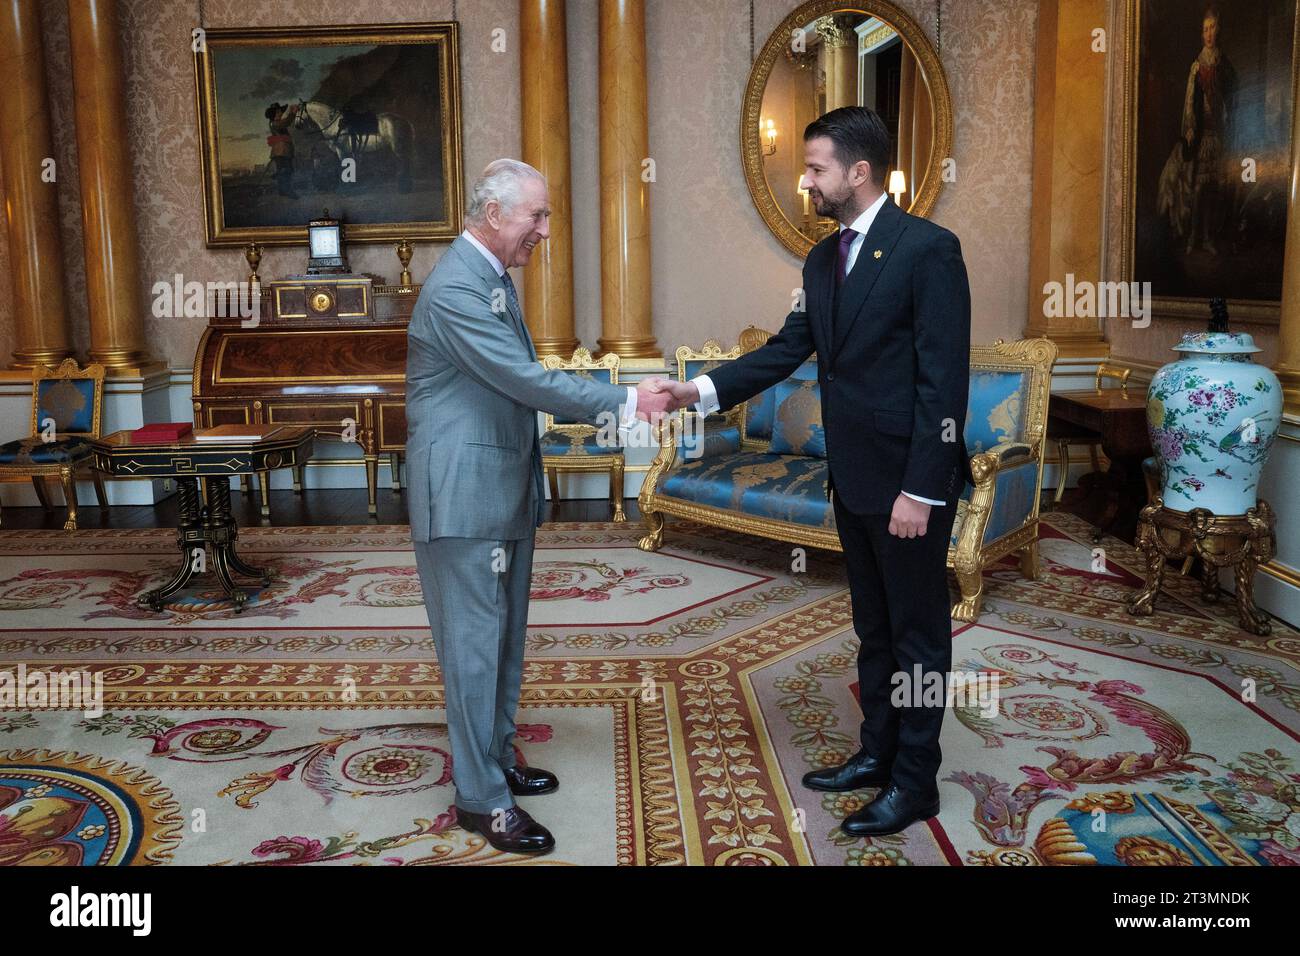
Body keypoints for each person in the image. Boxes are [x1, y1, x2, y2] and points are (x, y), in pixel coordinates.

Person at [655, 106, 971, 836]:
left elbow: (941, 382)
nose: (806, 182)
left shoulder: (928, 250)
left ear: (859, 171)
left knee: (919, 635)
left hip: (908, 488)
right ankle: (877, 754)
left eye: (816, 168)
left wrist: (921, 490)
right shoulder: (822, 259)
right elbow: (784, 349)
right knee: (874, 629)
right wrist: (696, 392)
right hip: (853, 476)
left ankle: (915, 781)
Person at [406, 159, 675, 855]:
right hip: (462, 496)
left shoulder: (489, 278)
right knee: (471, 649)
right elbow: (523, 378)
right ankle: (481, 801)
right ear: (495, 214)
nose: (545, 231)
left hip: (499, 484)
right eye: (538, 217)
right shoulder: (456, 289)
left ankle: (494, 760)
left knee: (502, 639)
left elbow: (519, 380)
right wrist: (626, 399)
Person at [264, 102, 300, 199]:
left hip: (282, 151)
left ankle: (282, 191)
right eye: (279, 111)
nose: (280, 113)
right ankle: (288, 191)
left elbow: (285, 122)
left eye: (280, 111)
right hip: (281, 151)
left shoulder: (276, 122)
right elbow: (286, 122)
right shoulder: (275, 123)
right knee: (286, 171)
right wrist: (293, 113)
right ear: (274, 113)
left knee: (283, 171)